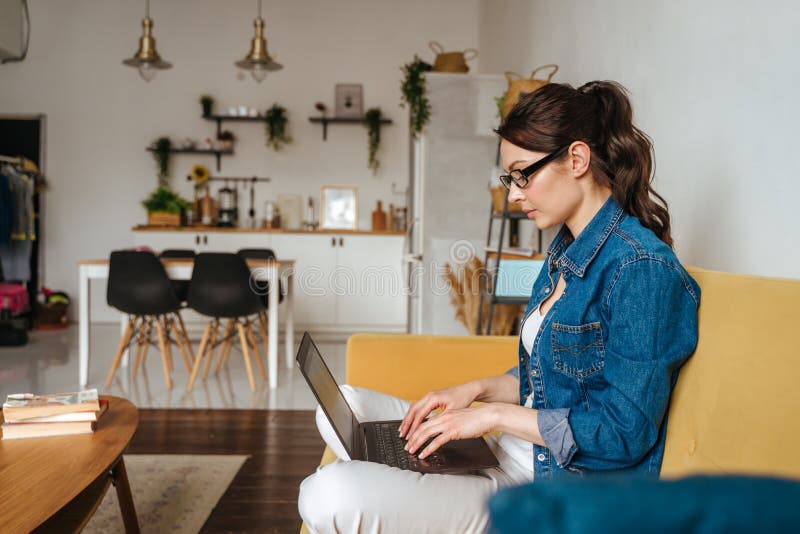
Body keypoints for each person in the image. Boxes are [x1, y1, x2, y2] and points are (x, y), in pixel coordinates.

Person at [298, 80, 700, 533]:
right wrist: (476, 390)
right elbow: (552, 376)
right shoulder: (563, 252)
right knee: (344, 404)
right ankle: (414, 480)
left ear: (577, 159)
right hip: (505, 456)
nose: (513, 194)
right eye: (511, 178)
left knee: (326, 493)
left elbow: (624, 434)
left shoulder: (640, 270)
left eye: (522, 174)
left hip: (544, 491)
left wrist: (491, 416)